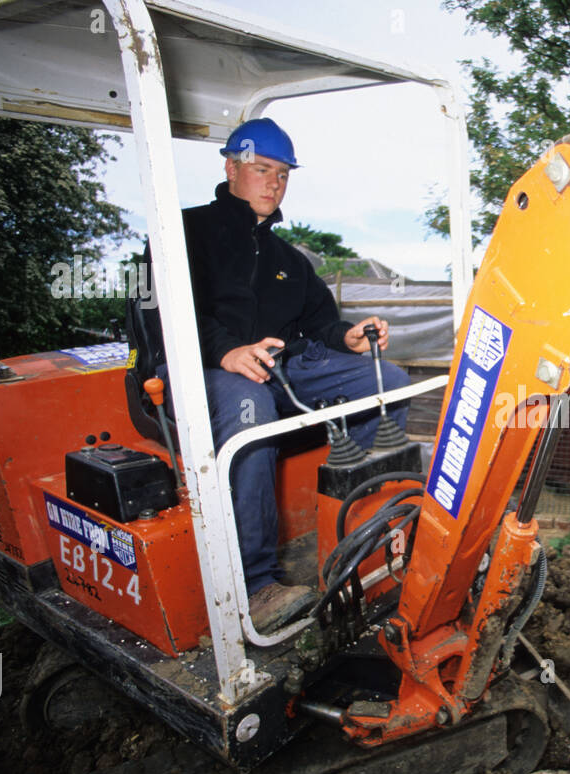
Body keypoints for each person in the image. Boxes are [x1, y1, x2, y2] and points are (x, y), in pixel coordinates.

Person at [172, 117, 410, 632]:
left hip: (286, 368)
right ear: (231, 167)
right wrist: (225, 351)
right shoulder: (182, 234)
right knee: (249, 408)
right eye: (262, 170)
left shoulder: (289, 260)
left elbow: (319, 321)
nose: (274, 183)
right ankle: (255, 584)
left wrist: (345, 336)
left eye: (283, 174)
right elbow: (163, 318)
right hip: (205, 370)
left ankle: (350, 532)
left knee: (389, 381)